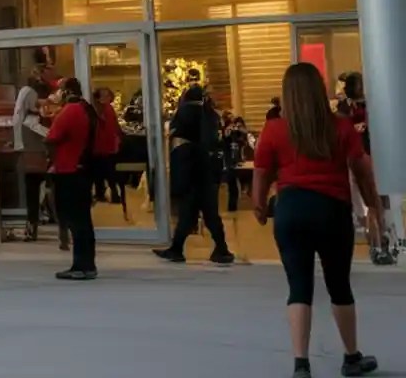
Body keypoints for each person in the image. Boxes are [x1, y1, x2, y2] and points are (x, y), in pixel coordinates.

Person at [253, 62, 381, 378]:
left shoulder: (274, 129)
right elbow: (362, 172)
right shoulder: (342, 127)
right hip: (332, 211)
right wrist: (373, 205)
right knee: (339, 286)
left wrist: (258, 207)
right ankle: (351, 358)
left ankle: (301, 364)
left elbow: (261, 174)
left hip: (291, 211)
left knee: (298, 287)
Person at [153, 85, 235, 265]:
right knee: (208, 210)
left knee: (188, 209)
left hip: (189, 167)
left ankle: (178, 249)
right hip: (206, 167)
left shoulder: (183, 113)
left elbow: (174, 136)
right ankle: (220, 248)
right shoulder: (211, 114)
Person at [44, 77, 101, 280]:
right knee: (84, 219)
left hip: (70, 169)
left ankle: (81, 265)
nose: (57, 94)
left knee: (74, 219)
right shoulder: (87, 109)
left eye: (59, 90)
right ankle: (88, 263)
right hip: (84, 168)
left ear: (67, 91)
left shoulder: (70, 111)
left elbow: (52, 138)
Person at [14, 76, 53, 241]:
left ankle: (32, 227)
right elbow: (50, 135)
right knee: (37, 196)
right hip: (38, 161)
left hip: (29, 161)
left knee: (32, 197)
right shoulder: (32, 121)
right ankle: (34, 226)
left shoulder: (22, 121)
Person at [92, 87, 123, 205]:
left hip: (107, 145)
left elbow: (114, 124)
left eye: (107, 95)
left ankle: (109, 193)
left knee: (108, 171)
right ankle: (104, 193)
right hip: (100, 144)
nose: (106, 97)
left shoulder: (107, 109)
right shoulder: (100, 109)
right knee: (104, 171)